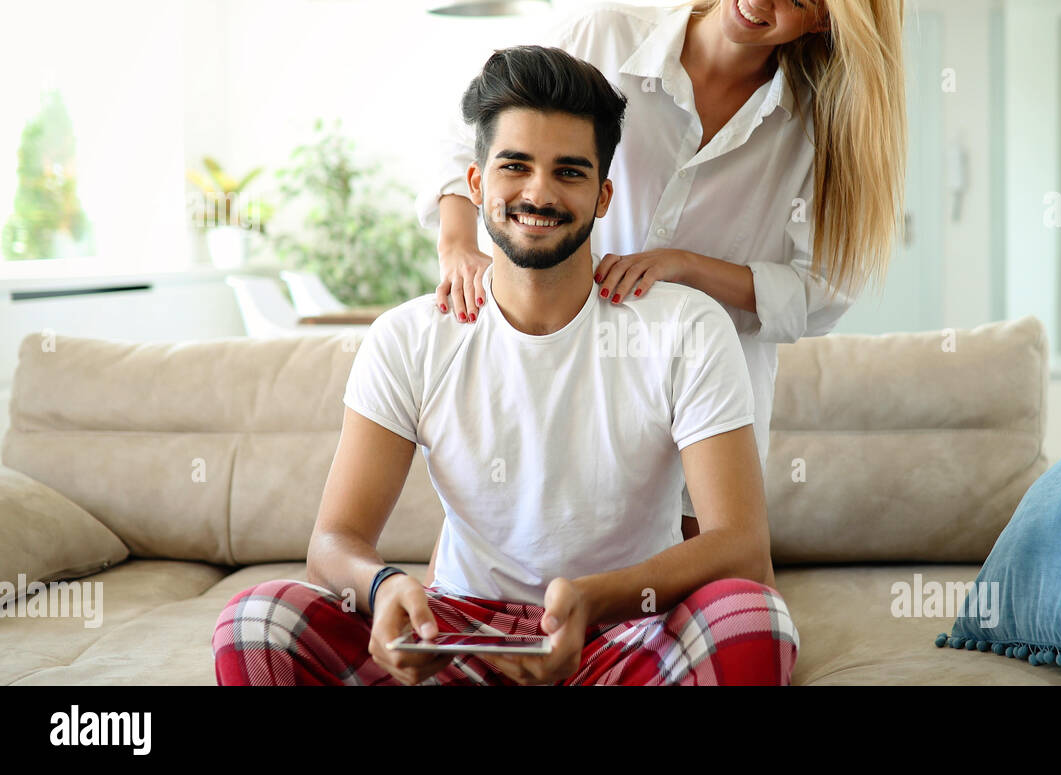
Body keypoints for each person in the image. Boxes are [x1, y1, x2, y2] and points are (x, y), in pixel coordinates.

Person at [212, 44, 799, 686]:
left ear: (604, 196)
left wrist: (590, 600)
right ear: (475, 183)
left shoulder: (685, 325)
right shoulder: (409, 337)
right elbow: (332, 544)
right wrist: (382, 589)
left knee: (754, 621)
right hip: (457, 630)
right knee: (255, 623)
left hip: (624, 629)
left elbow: (743, 549)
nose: (538, 192)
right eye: (515, 166)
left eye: (569, 172)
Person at [418, 0, 908, 538]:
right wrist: (457, 245)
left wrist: (687, 267)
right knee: (510, 570)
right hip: (561, 376)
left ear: (823, 21)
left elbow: (824, 291)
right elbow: (470, 137)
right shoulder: (604, 35)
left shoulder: (822, 123)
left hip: (702, 412)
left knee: (693, 592)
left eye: (797, 0)